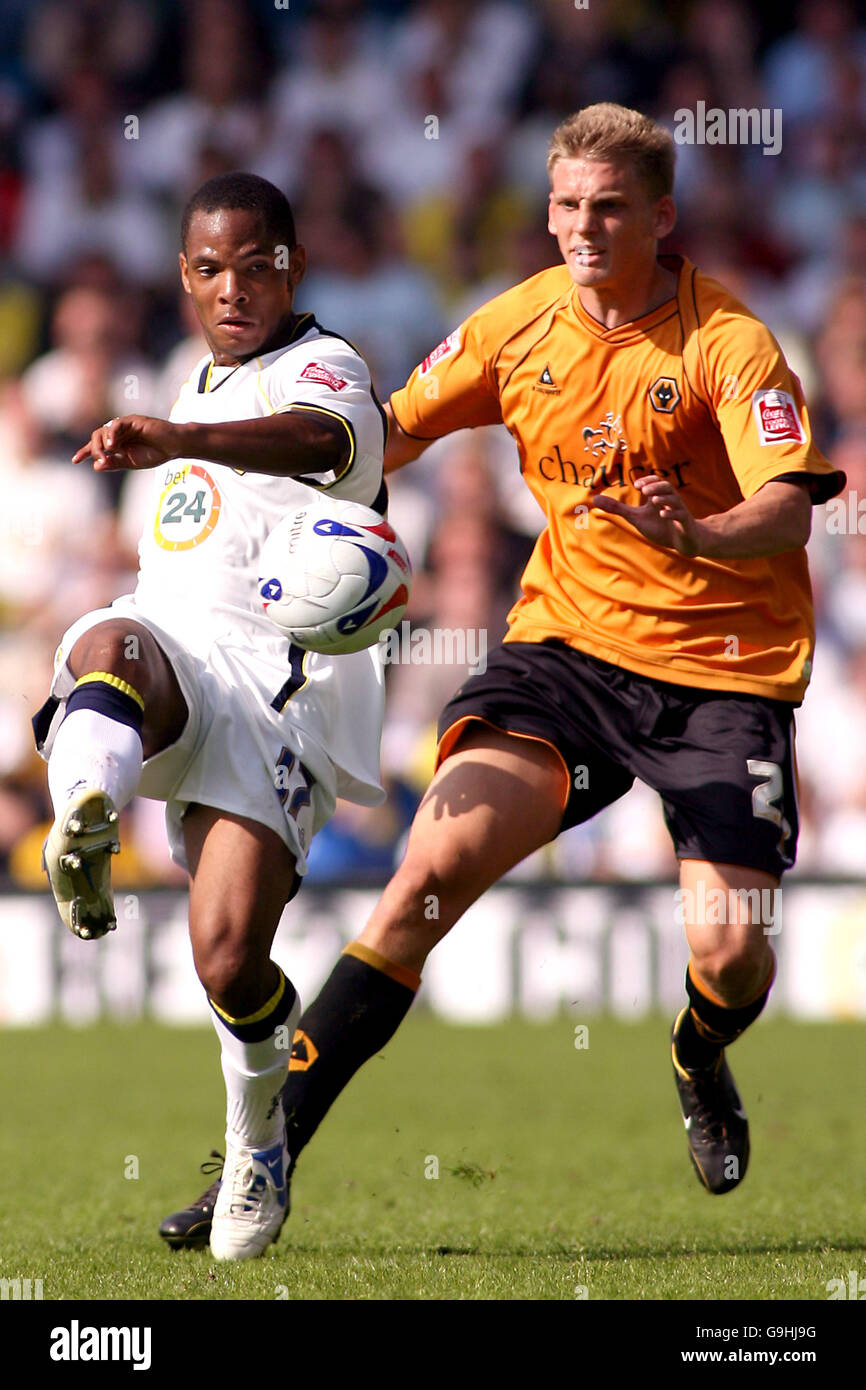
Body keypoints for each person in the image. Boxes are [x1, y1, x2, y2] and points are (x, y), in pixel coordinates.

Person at [160, 103, 843, 1248]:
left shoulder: (729, 342)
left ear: (660, 217)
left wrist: (701, 536)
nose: (582, 226)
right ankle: (260, 1157)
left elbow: (786, 505)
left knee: (729, 951)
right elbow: (380, 432)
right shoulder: (514, 326)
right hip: (564, 655)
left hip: (722, 671)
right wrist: (248, 477)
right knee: (427, 871)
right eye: (567, 204)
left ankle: (697, 1051)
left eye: (610, 207)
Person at [33, 172, 389, 1260]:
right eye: (205, 268)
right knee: (108, 639)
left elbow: (313, 441)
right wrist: (177, 435)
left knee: (228, 958)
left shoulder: (324, 366)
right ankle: (86, 808)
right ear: (183, 277)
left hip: (279, 691)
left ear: (289, 264)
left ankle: (256, 1143)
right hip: (177, 645)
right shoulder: (190, 386)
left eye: (252, 263)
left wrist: (181, 443)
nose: (229, 287)